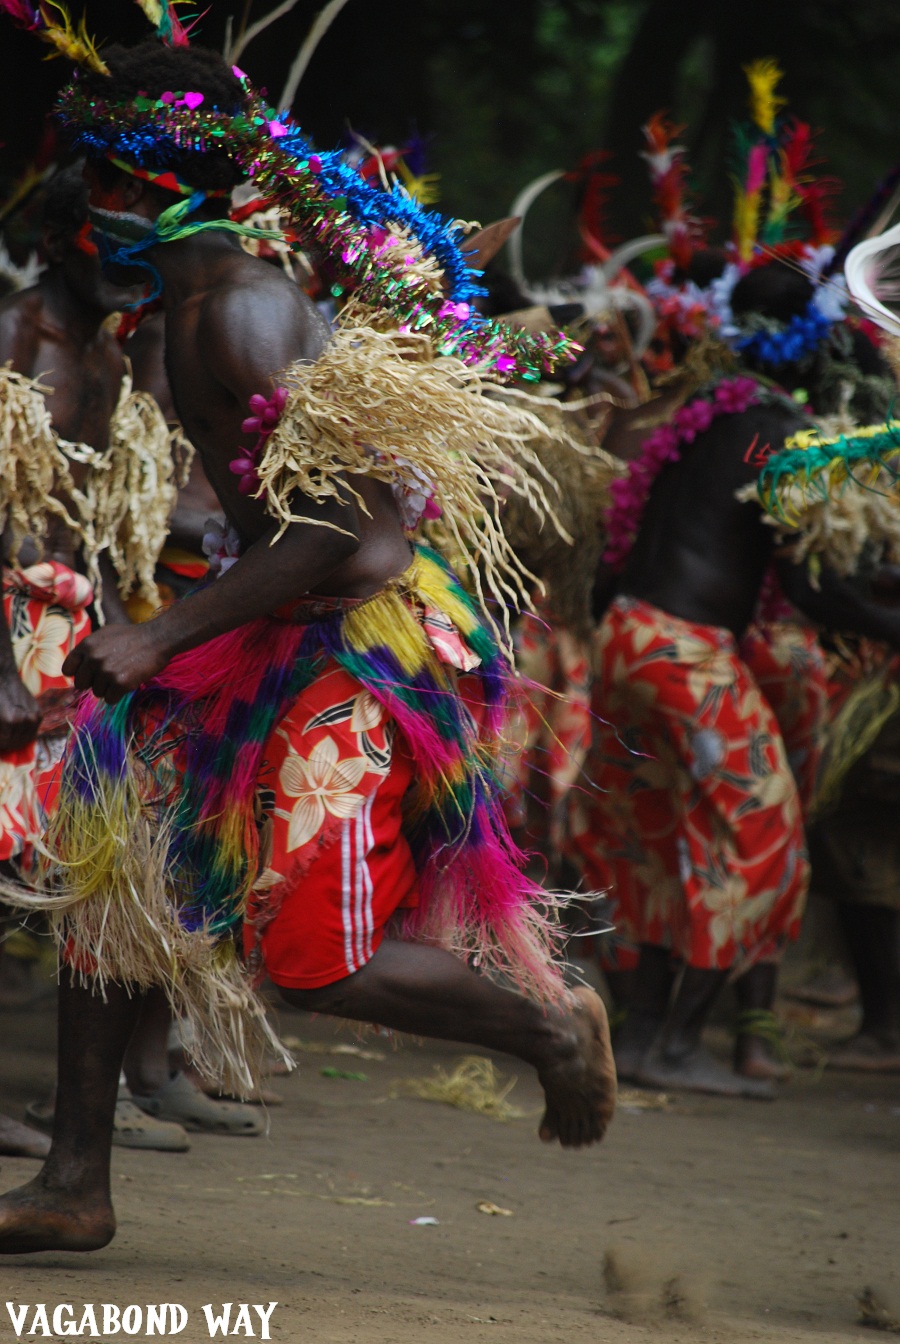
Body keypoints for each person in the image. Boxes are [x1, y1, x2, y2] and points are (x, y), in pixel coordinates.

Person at [0, 41, 615, 1255]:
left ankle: (552, 1027)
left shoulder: (233, 309)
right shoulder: (193, 305)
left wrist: (161, 631)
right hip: (274, 625)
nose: (87, 209)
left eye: (97, 180)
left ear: (130, 184)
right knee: (111, 862)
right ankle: (76, 1181)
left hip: (352, 642)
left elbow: (342, 523)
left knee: (314, 959)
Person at [571, 261, 900, 1099]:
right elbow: (809, 589)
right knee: (769, 849)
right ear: (813, 344)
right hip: (688, 660)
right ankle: (677, 1042)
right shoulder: (782, 432)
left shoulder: (699, 418)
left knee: (652, 840)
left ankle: (644, 1033)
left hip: (625, 640)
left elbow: (621, 560)